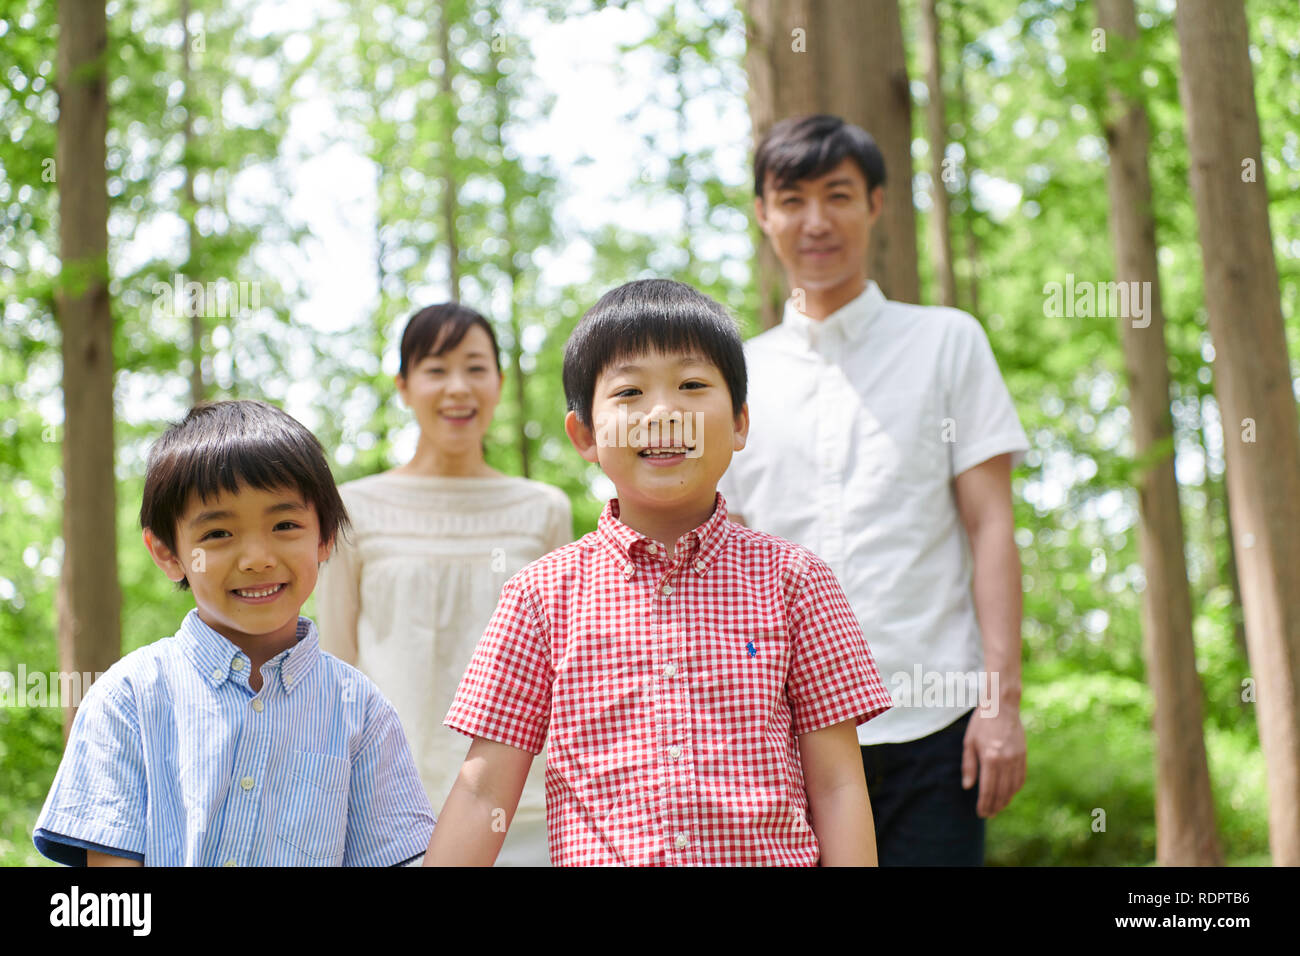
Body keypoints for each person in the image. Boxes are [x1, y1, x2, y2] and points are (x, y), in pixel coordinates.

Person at [424, 278, 893, 867]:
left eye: (692, 385)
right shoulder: (540, 597)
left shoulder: (798, 582)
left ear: (741, 422)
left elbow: (838, 786)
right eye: (629, 392)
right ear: (585, 435)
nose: (664, 412)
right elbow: (483, 790)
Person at [719, 114, 1030, 865]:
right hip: (782, 734)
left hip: (935, 726)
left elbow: (991, 525)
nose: (815, 221)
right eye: (791, 200)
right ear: (764, 214)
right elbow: (718, 553)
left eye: (838, 196)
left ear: (877, 205)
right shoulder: (734, 376)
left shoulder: (947, 341)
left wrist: (1001, 702)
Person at [32, 400, 435, 866]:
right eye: (219, 534)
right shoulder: (129, 698)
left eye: (285, 525)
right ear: (167, 553)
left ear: (324, 538)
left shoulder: (361, 712)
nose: (257, 558)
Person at [316, 302, 571, 867]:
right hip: (392, 810)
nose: (458, 388)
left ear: (500, 383)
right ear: (404, 387)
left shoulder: (542, 510)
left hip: (522, 811)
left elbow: (564, 669)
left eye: (476, 368)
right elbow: (335, 664)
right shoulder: (353, 509)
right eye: (435, 369)